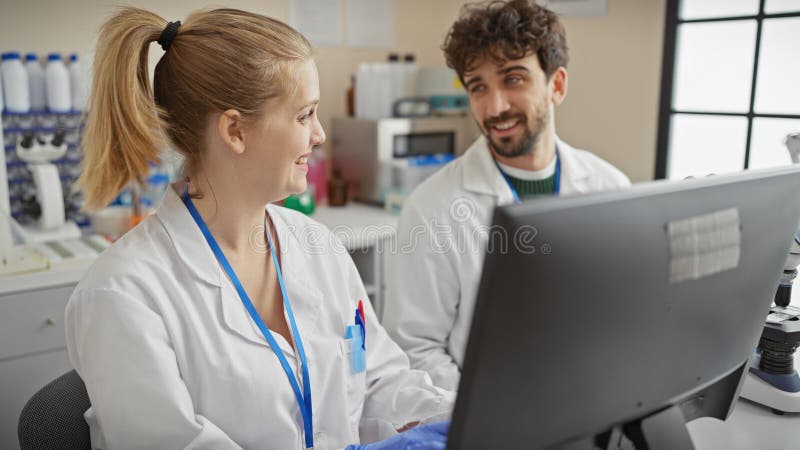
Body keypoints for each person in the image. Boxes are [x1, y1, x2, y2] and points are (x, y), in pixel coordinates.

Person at [66, 7, 452, 450]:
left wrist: (457, 419)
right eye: (304, 115)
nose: (320, 134)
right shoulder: (124, 294)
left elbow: (378, 380)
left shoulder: (317, 246)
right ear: (235, 130)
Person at [383, 0, 632, 392]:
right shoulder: (433, 208)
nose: (495, 106)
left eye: (513, 79)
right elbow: (414, 349)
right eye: (478, 87)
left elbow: (623, 317)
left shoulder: (610, 188)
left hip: (593, 401)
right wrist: (493, 408)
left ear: (557, 85)